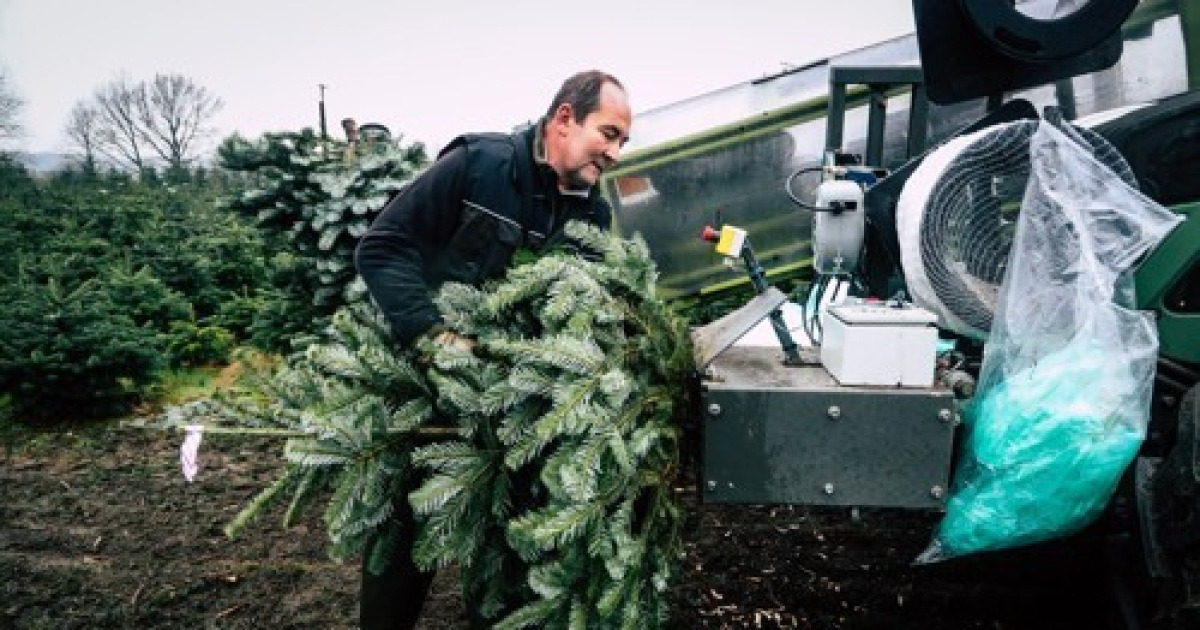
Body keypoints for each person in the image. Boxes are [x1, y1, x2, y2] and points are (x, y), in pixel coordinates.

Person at [353, 69, 632, 630]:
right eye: (608, 133)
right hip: (427, 394)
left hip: (518, 413)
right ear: (563, 119)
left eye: (623, 141)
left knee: (507, 549)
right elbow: (382, 249)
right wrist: (435, 338)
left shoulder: (592, 214)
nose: (616, 153)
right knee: (406, 535)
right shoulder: (478, 166)